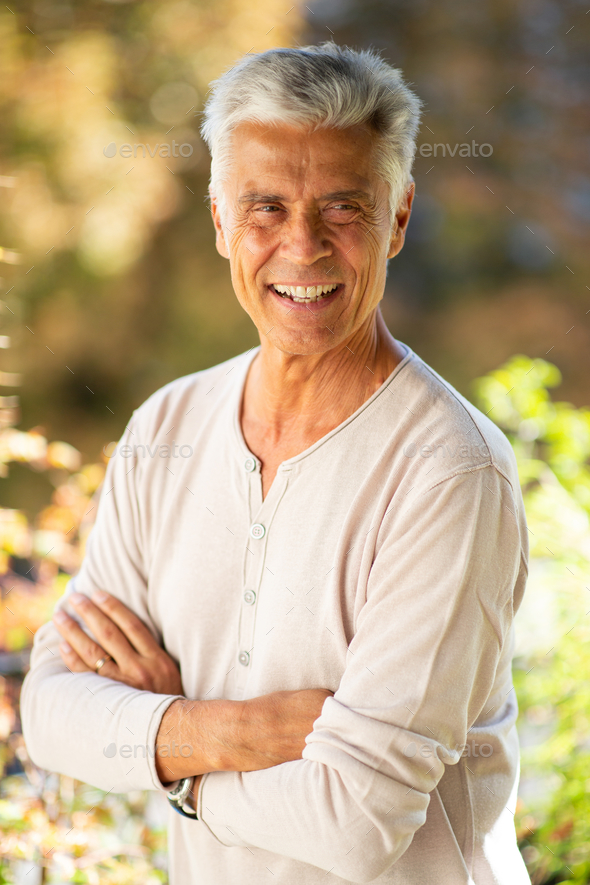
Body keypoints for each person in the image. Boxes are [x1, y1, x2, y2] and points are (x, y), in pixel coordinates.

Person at [21, 43, 531, 885]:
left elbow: (356, 822)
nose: (303, 246)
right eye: (265, 207)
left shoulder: (450, 472)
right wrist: (233, 730)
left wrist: (171, 760)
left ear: (399, 216)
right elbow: (49, 712)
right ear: (220, 219)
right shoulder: (165, 427)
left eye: (343, 208)